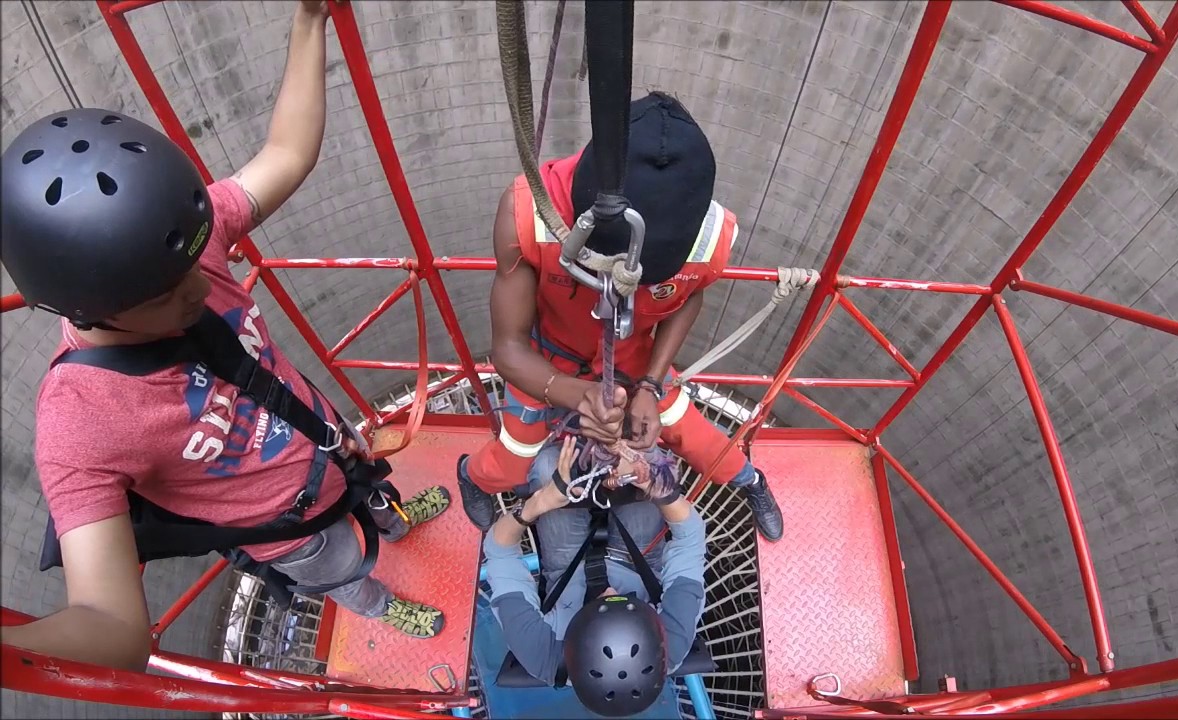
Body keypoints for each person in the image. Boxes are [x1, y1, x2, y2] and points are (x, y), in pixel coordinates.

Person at [0, 1, 450, 673]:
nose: (201, 288)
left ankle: (394, 518)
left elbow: (287, 155)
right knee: (340, 570)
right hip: (286, 529)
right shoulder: (80, 426)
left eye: (197, 261)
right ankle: (382, 603)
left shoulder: (184, 249)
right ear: (92, 312)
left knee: (374, 500)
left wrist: (308, 21)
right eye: (167, 296)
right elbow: (111, 627)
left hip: (325, 440)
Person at [456, 91, 784, 542]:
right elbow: (508, 348)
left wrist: (650, 384)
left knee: (694, 433)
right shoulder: (528, 216)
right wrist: (575, 393)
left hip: (635, 360)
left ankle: (750, 481)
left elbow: (688, 296)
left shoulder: (708, 240)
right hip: (548, 361)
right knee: (514, 456)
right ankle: (473, 477)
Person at [484, 435, 706, 717]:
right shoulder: (670, 643)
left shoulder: (541, 654)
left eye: (597, 603)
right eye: (623, 600)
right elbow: (691, 537)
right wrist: (654, 487)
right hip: (637, 559)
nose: (610, 589)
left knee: (549, 465)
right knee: (641, 455)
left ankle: (561, 423)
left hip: (567, 566)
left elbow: (500, 551)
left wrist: (538, 504)